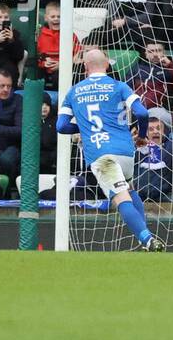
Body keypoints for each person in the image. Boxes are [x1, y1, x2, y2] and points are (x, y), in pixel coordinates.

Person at [57, 48, 164, 250]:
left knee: (120, 197)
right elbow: (142, 113)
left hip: (101, 155)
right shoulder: (119, 86)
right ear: (107, 64)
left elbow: (61, 126)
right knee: (130, 190)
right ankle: (146, 239)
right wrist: (141, 136)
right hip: (125, 151)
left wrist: (83, 128)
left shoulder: (74, 91)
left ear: (85, 66)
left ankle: (147, 240)